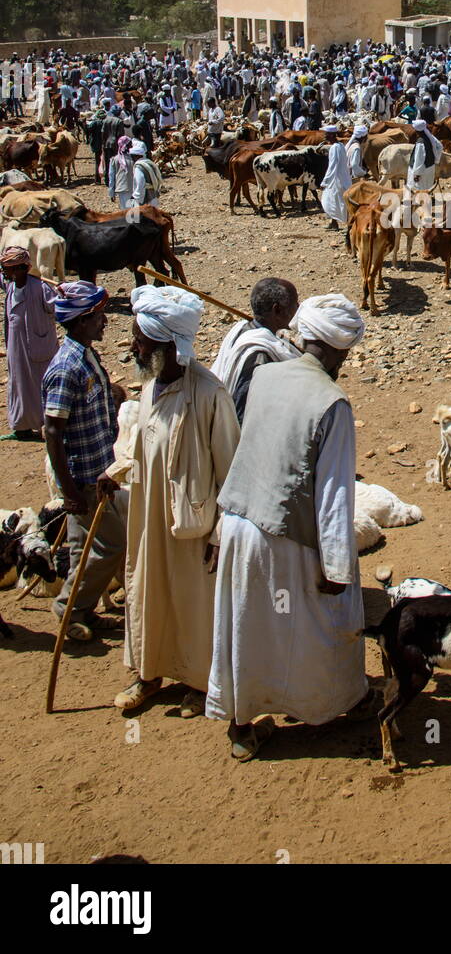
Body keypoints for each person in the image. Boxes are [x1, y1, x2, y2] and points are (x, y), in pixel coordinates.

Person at [206, 293, 377, 761]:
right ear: (340, 349)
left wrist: (220, 529)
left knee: (249, 627)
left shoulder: (264, 376)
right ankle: (334, 702)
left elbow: (245, 449)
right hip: (290, 536)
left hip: (240, 522)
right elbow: (334, 494)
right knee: (322, 625)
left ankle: (241, 725)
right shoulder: (333, 403)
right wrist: (337, 567)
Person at [105, 286, 241, 718]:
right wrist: (114, 473)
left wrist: (220, 534)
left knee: (193, 604)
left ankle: (199, 683)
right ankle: (147, 674)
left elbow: (232, 473)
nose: (134, 347)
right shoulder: (149, 387)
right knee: (147, 594)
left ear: (168, 345)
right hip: (148, 520)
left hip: (193, 525)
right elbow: (143, 446)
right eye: (135, 338)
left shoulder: (209, 394)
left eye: (142, 341)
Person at [43, 282, 128, 644]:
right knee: (112, 544)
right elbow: (52, 432)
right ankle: (69, 606)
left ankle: (82, 612)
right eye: (97, 316)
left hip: (98, 469)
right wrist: (69, 488)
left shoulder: (86, 354)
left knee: (81, 547)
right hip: (84, 477)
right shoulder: (66, 368)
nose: (104, 322)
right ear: (80, 322)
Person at [211, 278, 299, 423]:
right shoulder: (258, 355)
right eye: (294, 304)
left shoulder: (242, 328)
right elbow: (243, 413)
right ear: (277, 310)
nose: (298, 307)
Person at [1, 245, 58, 441]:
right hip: (17, 348)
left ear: (20, 269)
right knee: (19, 385)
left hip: (39, 347)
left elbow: (57, 309)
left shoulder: (41, 288)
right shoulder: (10, 285)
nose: (4, 272)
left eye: (7, 268)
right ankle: (22, 428)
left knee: (42, 386)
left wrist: (66, 295)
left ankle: (49, 427)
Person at [319, 123, 352, 229]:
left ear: (332, 135)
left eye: (326, 134)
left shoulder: (335, 148)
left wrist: (325, 181)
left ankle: (349, 225)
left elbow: (333, 166)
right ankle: (333, 222)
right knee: (333, 200)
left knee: (338, 202)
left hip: (337, 180)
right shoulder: (340, 146)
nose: (325, 136)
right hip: (341, 178)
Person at [408, 118, 443, 192]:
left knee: (419, 189)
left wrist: (417, 174)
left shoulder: (421, 142)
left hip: (422, 172)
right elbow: (440, 146)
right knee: (427, 187)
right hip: (429, 167)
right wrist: (436, 159)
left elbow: (419, 160)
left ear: (417, 130)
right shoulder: (430, 137)